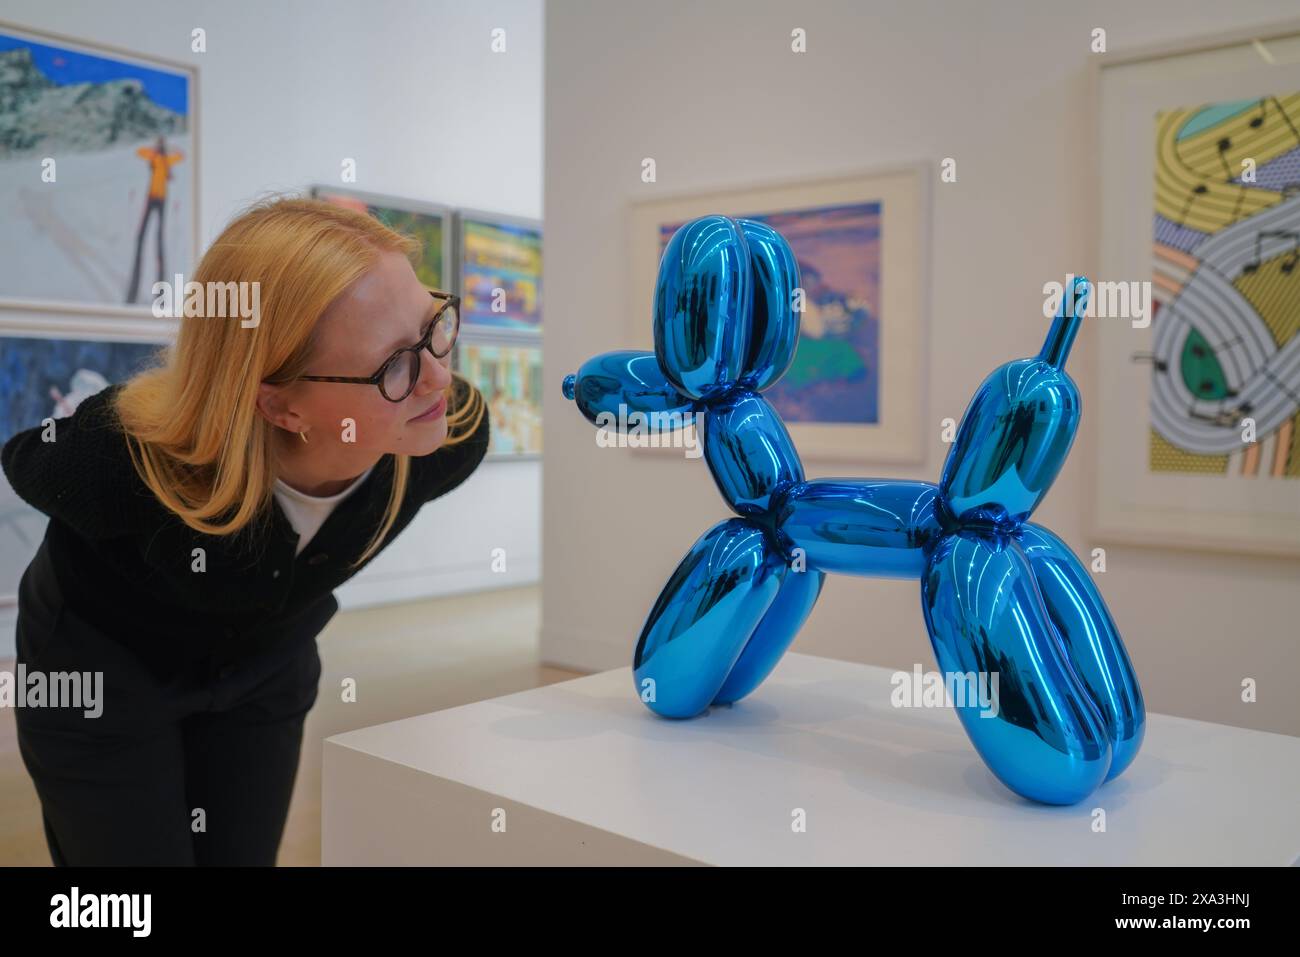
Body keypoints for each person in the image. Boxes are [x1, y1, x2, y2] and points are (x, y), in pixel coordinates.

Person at [1, 196, 490, 865]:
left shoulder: (448, 433)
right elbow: (27, 456)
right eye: (395, 365)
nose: (440, 376)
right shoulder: (126, 462)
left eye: (434, 325)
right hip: (103, 669)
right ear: (278, 403)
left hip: (266, 662)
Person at [125, 136, 185, 303]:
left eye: (160, 145)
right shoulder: (154, 157)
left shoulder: (167, 159)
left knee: (158, 238)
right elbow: (139, 152)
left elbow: (181, 156)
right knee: (142, 235)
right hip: (151, 197)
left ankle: (159, 293)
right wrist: (153, 150)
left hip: (161, 199)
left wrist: (171, 147)